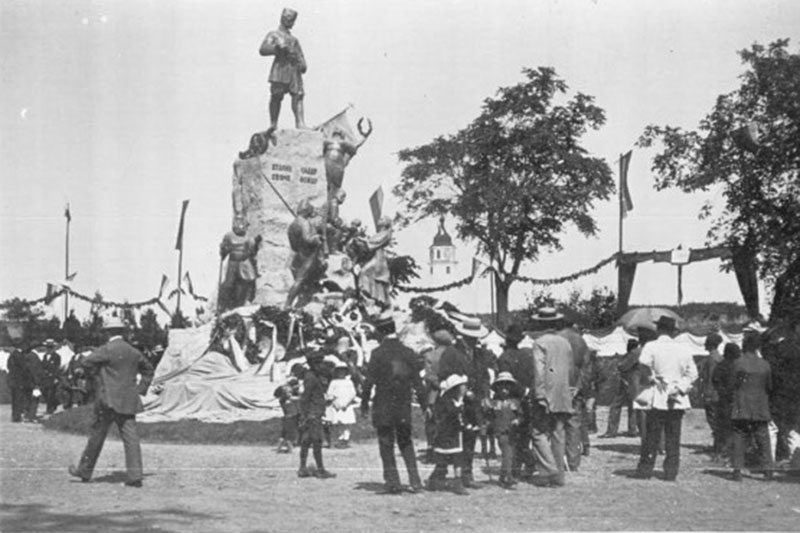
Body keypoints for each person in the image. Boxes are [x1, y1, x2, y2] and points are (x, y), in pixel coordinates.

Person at [69, 317, 154, 487]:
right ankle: (135, 476)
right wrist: (140, 389)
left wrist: (96, 374)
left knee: (97, 436)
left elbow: (86, 362)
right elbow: (148, 370)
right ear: (122, 332)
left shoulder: (106, 349)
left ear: (108, 332)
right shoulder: (133, 351)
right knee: (131, 438)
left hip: (107, 400)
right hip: (128, 400)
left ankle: (84, 470)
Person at [361, 313, 425, 494]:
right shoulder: (408, 352)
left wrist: (365, 404)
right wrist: (424, 406)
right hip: (403, 404)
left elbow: (368, 382)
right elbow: (418, 384)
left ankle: (393, 481)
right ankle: (415, 481)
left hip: (383, 404)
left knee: (386, 442)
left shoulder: (377, 354)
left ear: (380, 332)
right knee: (406, 441)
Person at [634, 315, 698, 482]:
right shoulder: (683, 349)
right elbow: (693, 374)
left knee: (652, 435)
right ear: (673, 331)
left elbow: (643, 363)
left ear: (658, 329)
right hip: (676, 396)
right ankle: (671, 472)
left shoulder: (651, 346)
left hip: (658, 394)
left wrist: (652, 378)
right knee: (673, 436)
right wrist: (680, 387)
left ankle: (645, 469)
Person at [437, 317, 493, 489]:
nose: (474, 340)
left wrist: (484, 395)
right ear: (464, 335)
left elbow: (483, 376)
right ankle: (441, 475)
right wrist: (461, 391)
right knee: (454, 441)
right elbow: (444, 377)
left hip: (474, 403)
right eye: (471, 337)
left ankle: (467, 475)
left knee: (470, 439)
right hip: (456, 402)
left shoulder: (479, 354)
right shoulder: (451, 353)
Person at [528, 308, 576, 488]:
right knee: (558, 434)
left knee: (538, 432)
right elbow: (570, 370)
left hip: (546, 393)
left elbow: (539, 371)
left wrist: (539, 394)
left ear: (540, 323)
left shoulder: (539, 343)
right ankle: (558, 477)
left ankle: (549, 469)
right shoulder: (565, 343)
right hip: (563, 394)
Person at [729, 326, 774, 481]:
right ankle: (768, 469)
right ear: (758, 346)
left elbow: (732, 384)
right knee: (763, 437)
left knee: (739, 436)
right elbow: (769, 386)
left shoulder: (738, 363)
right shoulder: (765, 364)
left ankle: (737, 470)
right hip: (760, 404)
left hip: (741, 404)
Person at [497, 323, 535, 479]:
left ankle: (516, 468)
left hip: (512, 398)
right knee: (523, 435)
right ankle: (522, 467)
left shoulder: (504, 358)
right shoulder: (526, 355)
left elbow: (504, 382)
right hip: (525, 398)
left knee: (511, 437)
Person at [259, 8, 306, 129]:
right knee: (276, 95)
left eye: (292, 20)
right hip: (280, 68)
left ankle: (300, 123)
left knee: (298, 96)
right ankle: (273, 123)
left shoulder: (294, 40)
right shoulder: (273, 35)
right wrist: (277, 49)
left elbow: (301, 57)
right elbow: (263, 49)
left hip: (294, 70)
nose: (291, 22)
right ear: (283, 19)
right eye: (288, 19)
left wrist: (301, 63)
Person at [427, 374, 470, 495]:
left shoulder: (460, 401)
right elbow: (449, 417)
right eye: (461, 387)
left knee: (457, 459)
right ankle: (434, 480)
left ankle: (458, 482)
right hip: (446, 434)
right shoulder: (445, 402)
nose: (464, 389)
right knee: (442, 459)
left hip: (455, 435)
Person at [297, 351, 335, 479]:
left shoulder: (313, 376)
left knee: (307, 440)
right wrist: (304, 414)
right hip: (313, 413)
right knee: (316, 440)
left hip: (313, 412)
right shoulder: (311, 378)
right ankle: (320, 470)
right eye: (318, 363)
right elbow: (305, 397)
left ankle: (303, 468)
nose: (321, 365)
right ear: (313, 364)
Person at [422, 329, 453, 462]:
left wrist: (438, 384)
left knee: (432, 422)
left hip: (434, 393)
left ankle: (432, 450)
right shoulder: (454, 355)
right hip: (452, 392)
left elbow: (429, 376)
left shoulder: (430, 356)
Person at [286, 199, 324, 308]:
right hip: (308, 255)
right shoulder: (304, 223)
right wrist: (317, 238)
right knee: (300, 280)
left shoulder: (293, 224)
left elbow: (293, 244)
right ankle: (288, 303)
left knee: (306, 278)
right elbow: (308, 239)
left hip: (299, 253)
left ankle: (305, 298)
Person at [601, 339, 642, 439]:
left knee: (616, 405)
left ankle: (612, 431)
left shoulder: (633, 353)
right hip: (637, 383)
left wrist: (619, 364)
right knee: (633, 407)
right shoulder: (643, 351)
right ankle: (632, 429)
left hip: (627, 382)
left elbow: (623, 366)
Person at [219, 217, 261, 311]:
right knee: (229, 284)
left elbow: (252, 251)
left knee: (244, 284)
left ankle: (241, 303)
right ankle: (224, 306)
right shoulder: (229, 236)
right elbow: (225, 250)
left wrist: (256, 243)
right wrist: (223, 249)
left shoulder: (248, 237)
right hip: (233, 262)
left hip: (244, 262)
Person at [489, 372, 523, 488]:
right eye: (501, 386)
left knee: (509, 454)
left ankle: (503, 477)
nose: (504, 390)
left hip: (513, 432)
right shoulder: (493, 403)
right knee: (507, 453)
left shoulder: (515, 402)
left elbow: (521, 415)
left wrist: (518, 420)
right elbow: (489, 417)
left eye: (507, 386)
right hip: (501, 432)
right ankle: (508, 476)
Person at [712, 342, 742, 463]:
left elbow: (715, 381)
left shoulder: (721, 365)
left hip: (723, 400)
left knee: (721, 428)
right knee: (731, 428)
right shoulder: (736, 366)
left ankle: (719, 452)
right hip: (731, 400)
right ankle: (727, 452)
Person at [356, 217, 394, 310]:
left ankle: (375, 298)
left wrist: (363, 240)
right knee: (368, 274)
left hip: (378, 257)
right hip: (374, 256)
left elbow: (372, 243)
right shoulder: (381, 233)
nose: (379, 220)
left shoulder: (385, 233)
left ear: (386, 223)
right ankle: (370, 297)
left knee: (367, 272)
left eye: (382, 219)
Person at [699, 332, 724, 457]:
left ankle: (718, 446)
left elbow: (710, 378)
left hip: (711, 392)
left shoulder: (712, 359)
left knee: (713, 419)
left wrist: (706, 393)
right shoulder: (719, 357)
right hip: (717, 392)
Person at [325, 360, 358, 448]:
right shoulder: (333, 382)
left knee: (347, 423)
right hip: (337, 405)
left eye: (343, 371)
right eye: (339, 371)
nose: (341, 373)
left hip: (346, 405)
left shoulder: (349, 382)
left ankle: (346, 439)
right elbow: (330, 394)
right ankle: (340, 439)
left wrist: (346, 404)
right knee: (338, 423)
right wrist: (335, 403)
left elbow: (352, 394)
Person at [274, 362, 304, 453]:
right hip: (290, 417)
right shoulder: (289, 399)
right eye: (288, 391)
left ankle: (279, 447)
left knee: (284, 434)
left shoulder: (283, 399)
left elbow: (293, 390)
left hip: (288, 417)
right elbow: (298, 398)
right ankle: (289, 448)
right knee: (290, 434)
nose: (290, 391)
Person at [41, 339, 62, 414]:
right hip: (45, 378)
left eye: (50, 347)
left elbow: (57, 367)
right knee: (45, 393)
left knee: (51, 393)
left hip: (52, 377)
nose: (49, 349)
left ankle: (49, 409)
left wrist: (56, 377)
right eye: (48, 347)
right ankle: (55, 404)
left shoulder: (57, 357)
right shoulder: (45, 356)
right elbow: (43, 366)